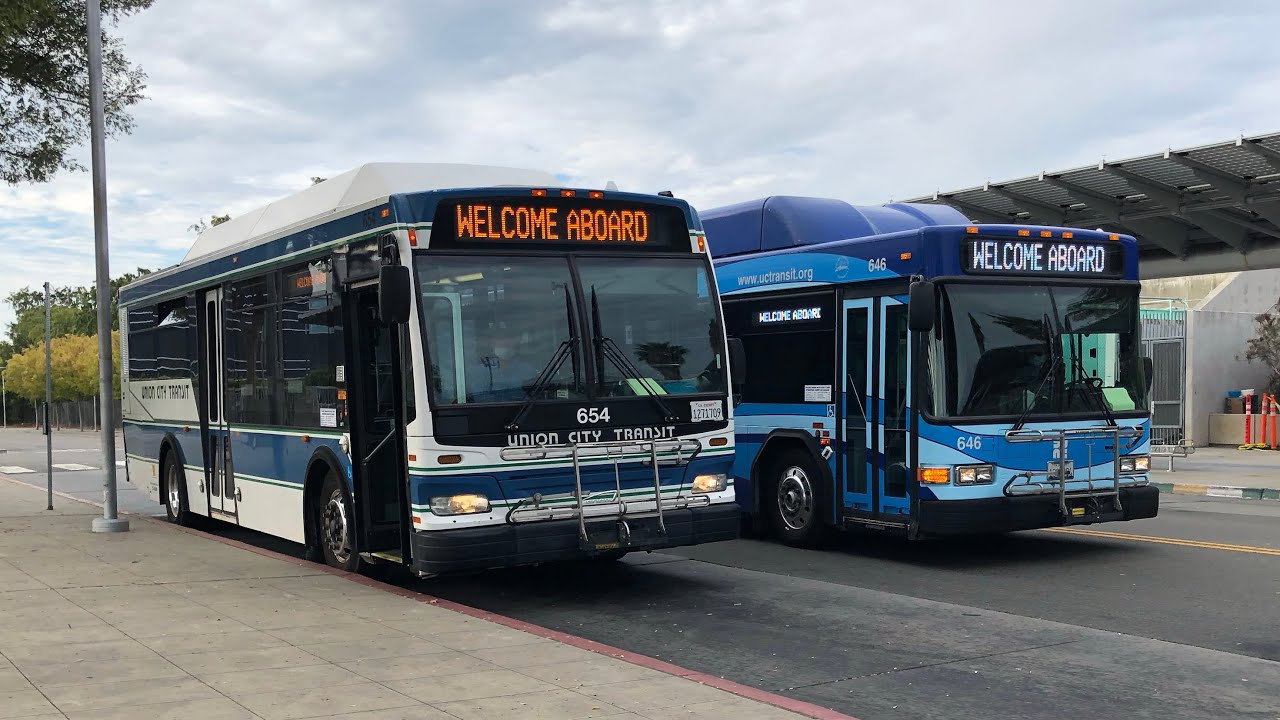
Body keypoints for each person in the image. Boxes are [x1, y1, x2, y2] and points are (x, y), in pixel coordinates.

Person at [466, 334, 539, 402]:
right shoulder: (482, 370)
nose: (505, 349)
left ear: (514, 346)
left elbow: (531, 396)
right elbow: (479, 398)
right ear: (493, 345)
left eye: (508, 346)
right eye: (501, 346)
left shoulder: (527, 369)